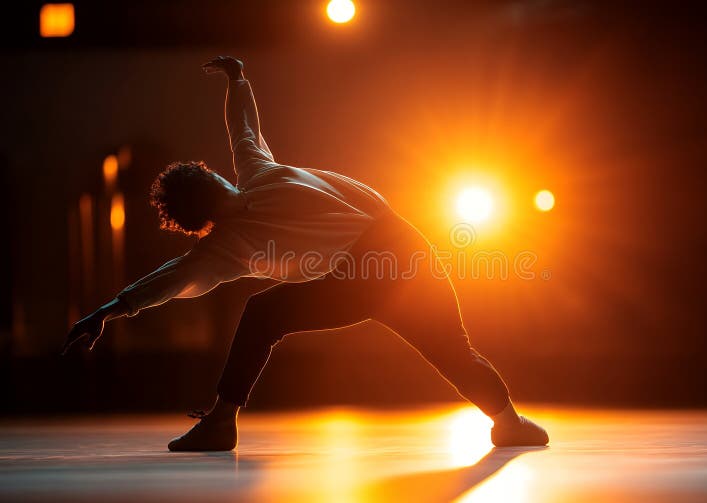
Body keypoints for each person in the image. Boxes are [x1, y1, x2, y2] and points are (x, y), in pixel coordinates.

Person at [61, 56, 549, 451]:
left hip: (397, 249)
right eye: (207, 179)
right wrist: (116, 307)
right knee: (264, 312)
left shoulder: (257, 173)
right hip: (374, 264)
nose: (216, 174)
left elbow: (243, 130)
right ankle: (221, 421)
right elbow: (172, 277)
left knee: (451, 349)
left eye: (209, 173)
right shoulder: (225, 247)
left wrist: (238, 79)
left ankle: (507, 422)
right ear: (205, 199)